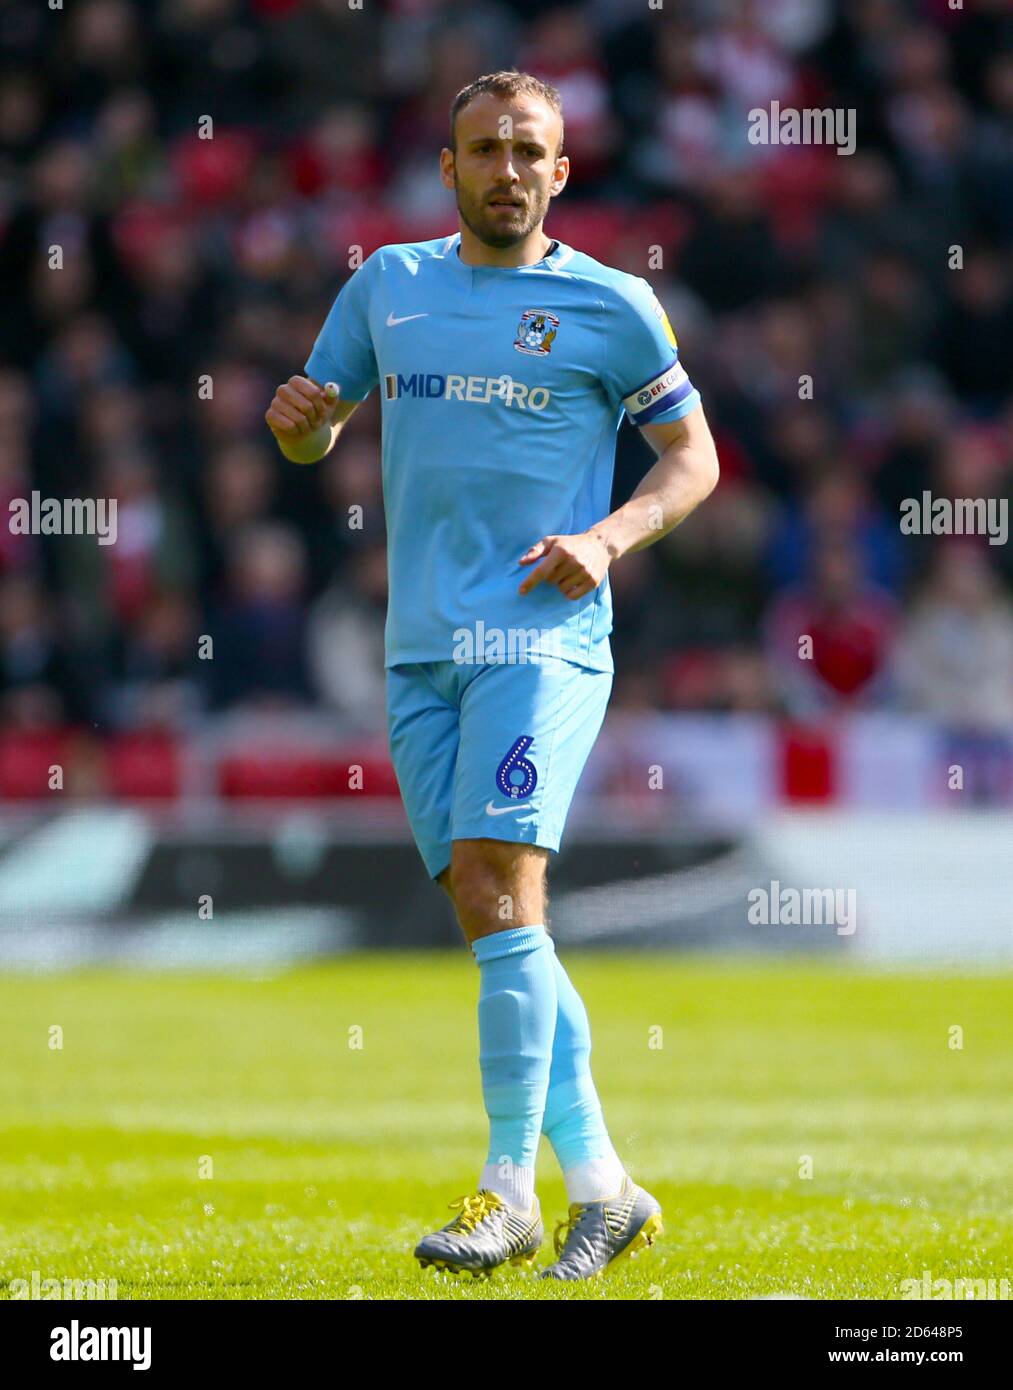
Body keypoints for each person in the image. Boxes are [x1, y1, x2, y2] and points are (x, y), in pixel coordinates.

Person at [265, 70, 719, 1281]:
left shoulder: (613, 305)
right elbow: (317, 426)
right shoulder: (387, 287)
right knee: (492, 913)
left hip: (541, 638)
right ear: (450, 170)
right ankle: (607, 1186)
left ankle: (508, 1190)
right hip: (419, 647)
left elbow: (693, 461)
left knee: (495, 878)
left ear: (560, 172)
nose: (507, 169)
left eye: (529, 151)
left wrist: (608, 537)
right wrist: (301, 423)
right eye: (485, 149)